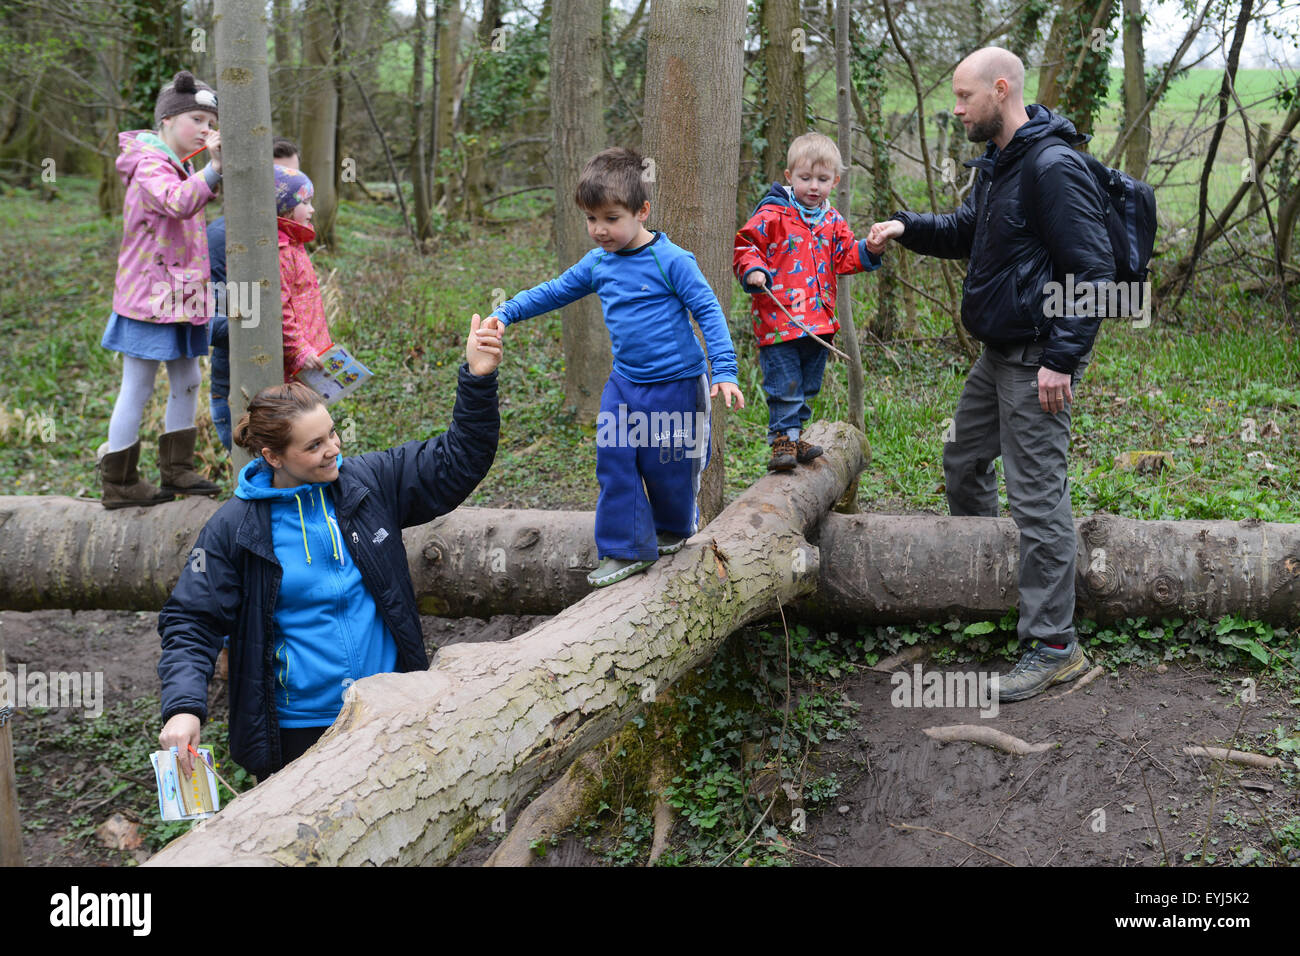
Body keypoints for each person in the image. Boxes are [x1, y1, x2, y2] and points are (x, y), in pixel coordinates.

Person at [867, 47, 1114, 702]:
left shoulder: (1054, 167)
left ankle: (1054, 645)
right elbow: (972, 229)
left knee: (1037, 498)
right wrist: (908, 227)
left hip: (1037, 357)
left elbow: (1096, 271)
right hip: (997, 354)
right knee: (962, 458)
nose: (955, 110)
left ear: (1000, 91)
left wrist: (1063, 358)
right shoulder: (1003, 164)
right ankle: (985, 581)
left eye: (962, 97)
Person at [157, 317, 502, 779]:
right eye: (314, 445)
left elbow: (458, 460)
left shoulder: (369, 485)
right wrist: (183, 708)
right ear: (273, 457)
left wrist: (478, 378)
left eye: (333, 434)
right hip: (299, 729)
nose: (333, 449)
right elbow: (192, 620)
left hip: (390, 708)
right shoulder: (236, 528)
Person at [487, 146, 745, 588]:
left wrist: (723, 370)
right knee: (614, 460)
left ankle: (674, 527)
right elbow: (554, 291)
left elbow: (708, 311)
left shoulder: (673, 261)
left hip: (678, 385)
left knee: (670, 465)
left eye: (610, 218)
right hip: (625, 385)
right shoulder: (598, 264)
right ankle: (625, 547)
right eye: (591, 219)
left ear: (642, 211)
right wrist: (506, 312)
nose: (599, 230)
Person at [98, 70, 223, 508]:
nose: (205, 131)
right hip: (149, 297)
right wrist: (214, 170)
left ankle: (178, 471)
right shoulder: (148, 162)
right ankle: (119, 480)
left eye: (211, 125)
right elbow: (176, 201)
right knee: (138, 385)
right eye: (196, 120)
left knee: (188, 377)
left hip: (183, 294)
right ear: (167, 121)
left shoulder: (182, 164)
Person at [735, 132, 882, 471]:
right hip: (779, 323)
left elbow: (846, 258)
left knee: (808, 385)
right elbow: (746, 246)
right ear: (789, 177)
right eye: (805, 178)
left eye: (822, 179)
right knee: (784, 384)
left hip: (819, 323)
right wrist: (754, 270)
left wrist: (871, 249)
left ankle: (795, 434)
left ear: (835, 181)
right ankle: (780, 441)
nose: (813, 186)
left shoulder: (833, 222)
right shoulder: (773, 214)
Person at [208, 137, 301, 451]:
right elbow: (206, 321)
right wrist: (259, 318)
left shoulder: (293, 240)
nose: (295, 193)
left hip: (290, 391)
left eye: (299, 182)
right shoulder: (223, 238)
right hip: (238, 394)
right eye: (282, 182)